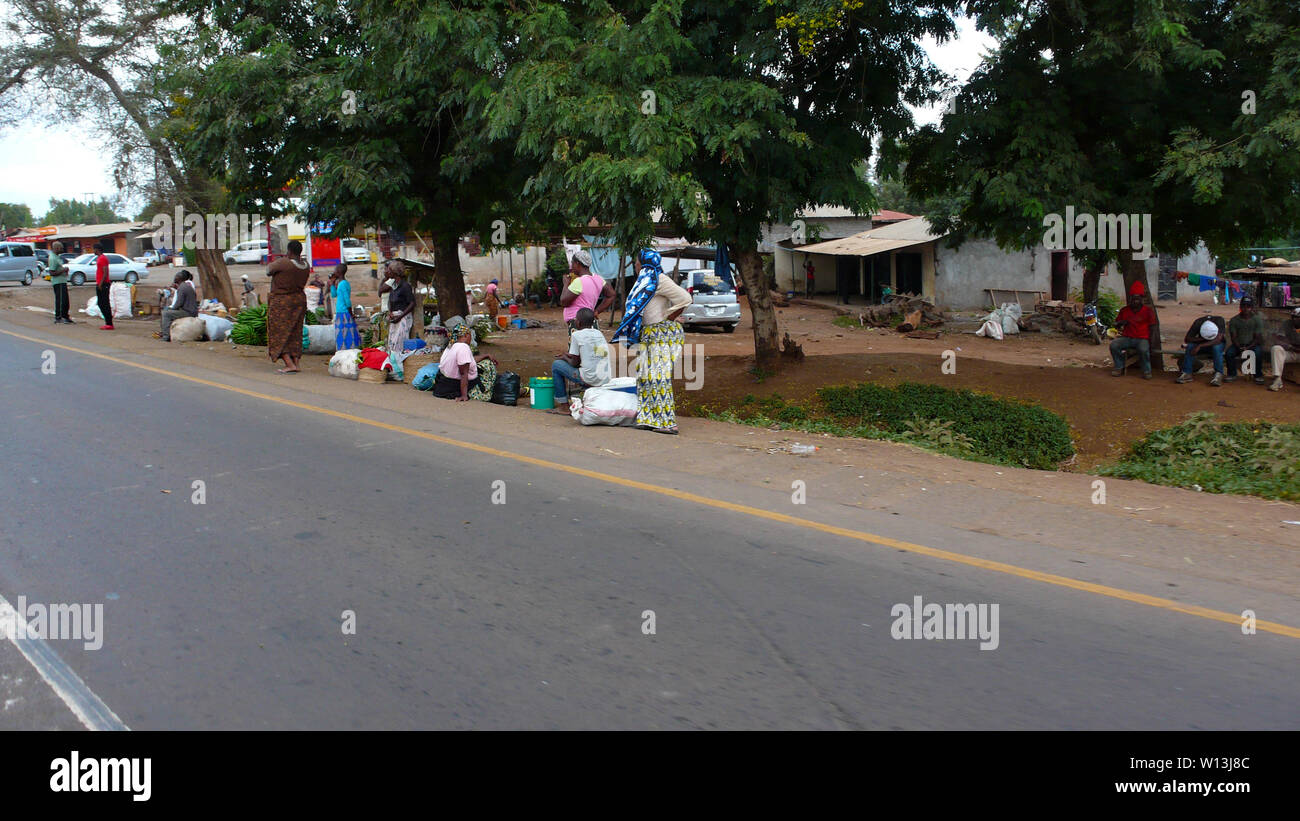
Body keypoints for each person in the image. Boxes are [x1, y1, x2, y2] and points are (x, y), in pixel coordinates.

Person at [612, 248, 692, 434]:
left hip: (664, 334)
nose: (636, 265)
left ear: (644, 262)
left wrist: (670, 316)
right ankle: (650, 419)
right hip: (649, 334)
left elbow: (686, 298)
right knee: (645, 376)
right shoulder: (644, 282)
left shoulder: (659, 279)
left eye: (637, 261)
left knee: (658, 376)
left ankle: (668, 423)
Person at [551, 308, 612, 414]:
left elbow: (575, 363)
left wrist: (564, 357)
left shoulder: (576, 335)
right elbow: (598, 353)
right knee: (580, 366)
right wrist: (567, 355)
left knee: (556, 365)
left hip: (589, 378)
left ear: (578, 322)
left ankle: (563, 406)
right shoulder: (598, 334)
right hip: (604, 377)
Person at [266, 239, 310, 373]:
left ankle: (289, 363)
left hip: (282, 301)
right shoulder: (305, 265)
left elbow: (268, 270)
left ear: (289, 251)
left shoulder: (284, 263)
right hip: (299, 300)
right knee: (295, 331)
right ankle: (296, 363)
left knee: (279, 332)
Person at [432, 324, 498, 401]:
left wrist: (485, 355)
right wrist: (464, 395)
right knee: (487, 364)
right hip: (454, 385)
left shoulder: (451, 345)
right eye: (470, 335)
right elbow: (463, 373)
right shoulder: (463, 347)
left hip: (443, 384)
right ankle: (485, 392)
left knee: (484, 361)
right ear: (466, 335)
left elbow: (469, 361)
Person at [1109, 281, 1157, 378]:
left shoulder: (1148, 311)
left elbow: (1153, 328)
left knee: (1143, 349)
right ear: (1130, 299)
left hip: (1142, 338)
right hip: (1127, 338)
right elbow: (1116, 325)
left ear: (1141, 299)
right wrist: (1120, 323)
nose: (1135, 301)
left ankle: (1146, 371)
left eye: (1138, 299)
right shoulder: (1124, 310)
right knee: (1114, 345)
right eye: (1133, 299)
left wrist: (1151, 341)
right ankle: (1119, 367)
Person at [561, 249, 615, 333]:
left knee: (578, 345)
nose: (571, 267)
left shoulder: (579, 281)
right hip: (590, 321)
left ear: (578, 263)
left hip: (578, 323)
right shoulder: (598, 279)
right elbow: (611, 294)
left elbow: (564, 301)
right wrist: (597, 311)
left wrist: (566, 284)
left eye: (573, 263)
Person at [1225, 295, 1267, 384]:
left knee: (1258, 353)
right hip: (1238, 344)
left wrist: (1248, 347)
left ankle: (1258, 375)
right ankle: (1232, 374)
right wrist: (1239, 347)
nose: (1246, 308)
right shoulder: (1234, 320)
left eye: (1248, 306)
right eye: (1243, 306)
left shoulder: (1257, 320)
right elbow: (1233, 337)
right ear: (1240, 307)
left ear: (1252, 308)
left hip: (1253, 344)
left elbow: (1257, 338)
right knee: (1229, 353)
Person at [1176, 313, 1227, 385]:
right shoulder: (1198, 323)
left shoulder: (1219, 320)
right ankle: (1187, 373)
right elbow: (1187, 339)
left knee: (1216, 348)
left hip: (1215, 344)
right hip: (1202, 343)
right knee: (1190, 346)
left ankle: (1218, 374)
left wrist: (1200, 345)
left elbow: (1218, 340)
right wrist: (1201, 339)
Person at [385, 261, 415, 361]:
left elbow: (412, 303)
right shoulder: (393, 285)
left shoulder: (405, 286)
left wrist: (400, 316)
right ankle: (394, 364)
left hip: (403, 318)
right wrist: (390, 312)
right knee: (392, 343)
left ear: (395, 272)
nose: (387, 272)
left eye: (389, 270)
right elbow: (390, 301)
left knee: (399, 343)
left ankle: (399, 365)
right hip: (394, 317)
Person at [158, 271, 198, 341]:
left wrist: (171, 309)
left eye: (176, 277)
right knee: (168, 311)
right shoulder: (186, 286)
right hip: (191, 310)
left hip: (188, 312)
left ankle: (166, 336)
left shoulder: (182, 288)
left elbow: (179, 303)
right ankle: (168, 332)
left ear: (179, 278)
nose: (174, 278)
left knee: (166, 314)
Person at [1268, 307, 1300, 392]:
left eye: (1298, 317)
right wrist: (1290, 347)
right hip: (1291, 351)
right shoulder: (1287, 324)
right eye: (1294, 317)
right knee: (1276, 349)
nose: (1296, 319)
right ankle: (1277, 379)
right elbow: (1278, 339)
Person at [330, 263, 360, 350]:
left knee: (345, 334)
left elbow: (347, 300)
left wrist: (351, 313)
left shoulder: (343, 284)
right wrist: (332, 284)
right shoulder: (340, 283)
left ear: (338, 271)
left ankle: (346, 349)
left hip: (344, 313)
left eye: (335, 270)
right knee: (342, 333)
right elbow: (334, 294)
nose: (334, 271)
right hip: (340, 312)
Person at [47, 241, 70, 324]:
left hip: (62, 281)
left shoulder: (57, 257)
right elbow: (52, 272)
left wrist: (64, 270)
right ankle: (58, 317)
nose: (62, 250)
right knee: (60, 300)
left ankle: (65, 316)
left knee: (65, 300)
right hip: (58, 282)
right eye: (61, 248)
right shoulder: (52, 258)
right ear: (56, 248)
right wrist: (63, 270)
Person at [93, 242, 113, 330]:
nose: (93, 251)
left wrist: (100, 283)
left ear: (97, 249)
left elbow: (105, 272)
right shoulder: (99, 258)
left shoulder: (102, 258)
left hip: (103, 284)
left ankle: (109, 323)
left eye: (94, 249)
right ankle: (107, 322)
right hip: (100, 283)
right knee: (101, 303)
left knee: (104, 303)